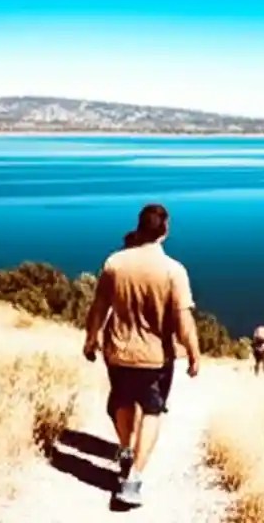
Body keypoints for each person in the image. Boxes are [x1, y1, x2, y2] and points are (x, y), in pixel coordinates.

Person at [83, 204, 201, 509]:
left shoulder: (115, 263)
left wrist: (91, 339)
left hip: (118, 353)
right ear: (165, 231)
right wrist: (193, 353)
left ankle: (125, 448)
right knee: (152, 410)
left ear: (138, 227)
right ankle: (133, 477)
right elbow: (183, 320)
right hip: (155, 357)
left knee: (122, 401)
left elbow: (98, 307)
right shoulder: (174, 271)